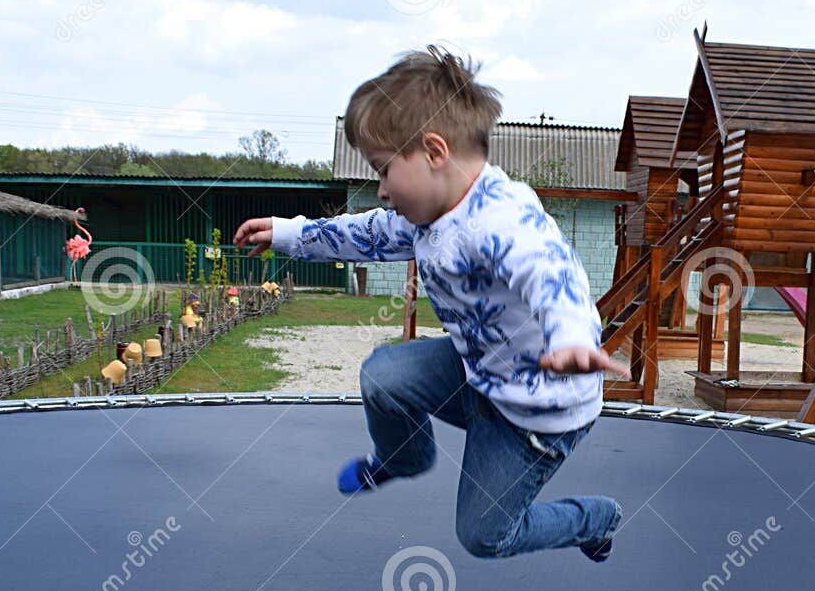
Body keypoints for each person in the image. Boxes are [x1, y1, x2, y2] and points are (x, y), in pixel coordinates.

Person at [233, 46, 629, 562]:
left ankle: (595, 520)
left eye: (383, 170)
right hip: (476, 374)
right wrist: (291, 234)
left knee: (484, 536)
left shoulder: (501, 218)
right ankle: (405, 458)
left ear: (434, 152)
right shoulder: (429, 211)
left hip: (534, 414)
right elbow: (368, 234)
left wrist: (573, 336)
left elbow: (551, 273)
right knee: (383, 375)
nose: (380, 190)